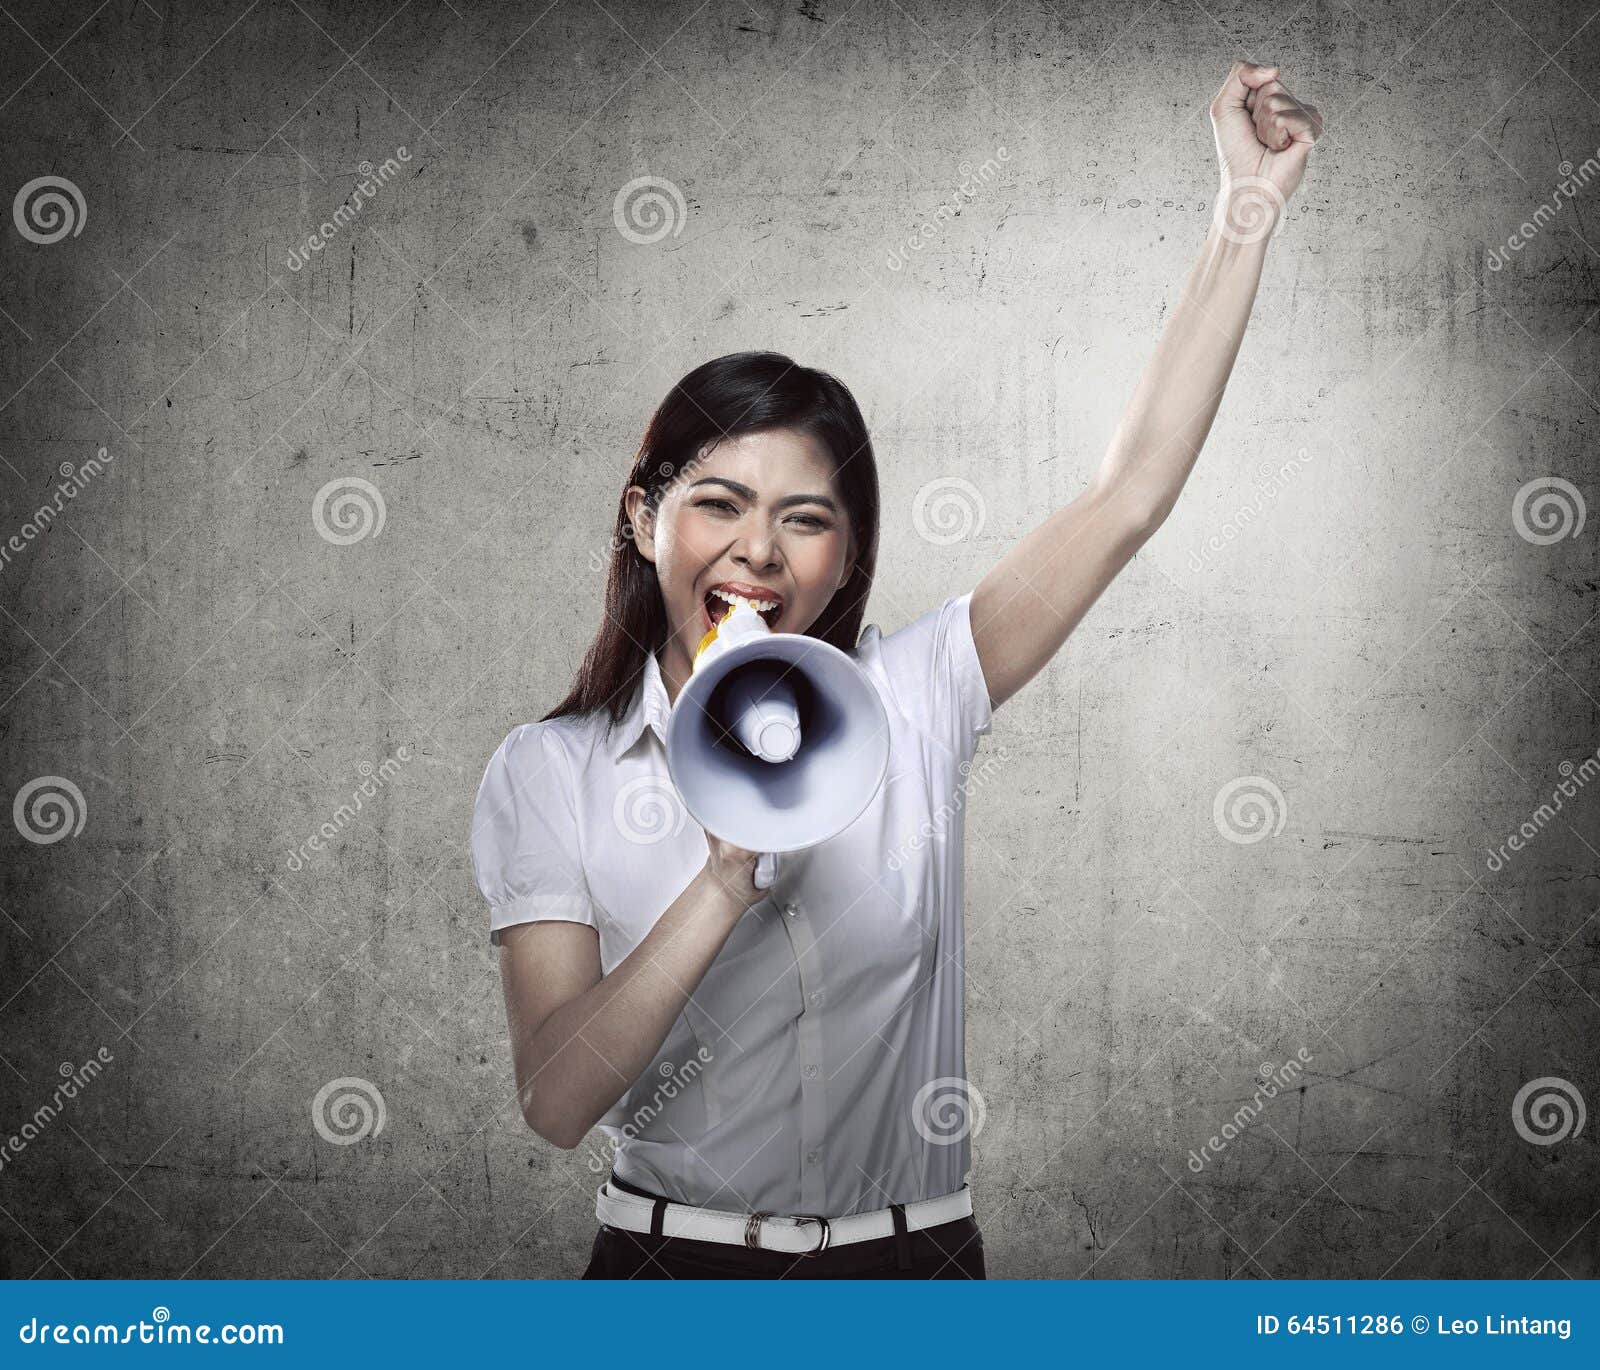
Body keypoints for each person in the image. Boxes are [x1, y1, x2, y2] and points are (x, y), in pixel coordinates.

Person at [469, 60, 1321, 1279]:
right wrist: (721, 877)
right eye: (718, 502)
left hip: (911, 1267)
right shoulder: (549, 770)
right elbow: (556, 1099)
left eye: (805, 518)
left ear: (848, 554)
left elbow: (1128, 494)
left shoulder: (916, 695)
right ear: (643, 517)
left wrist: (1247, 207)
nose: (758, 550)